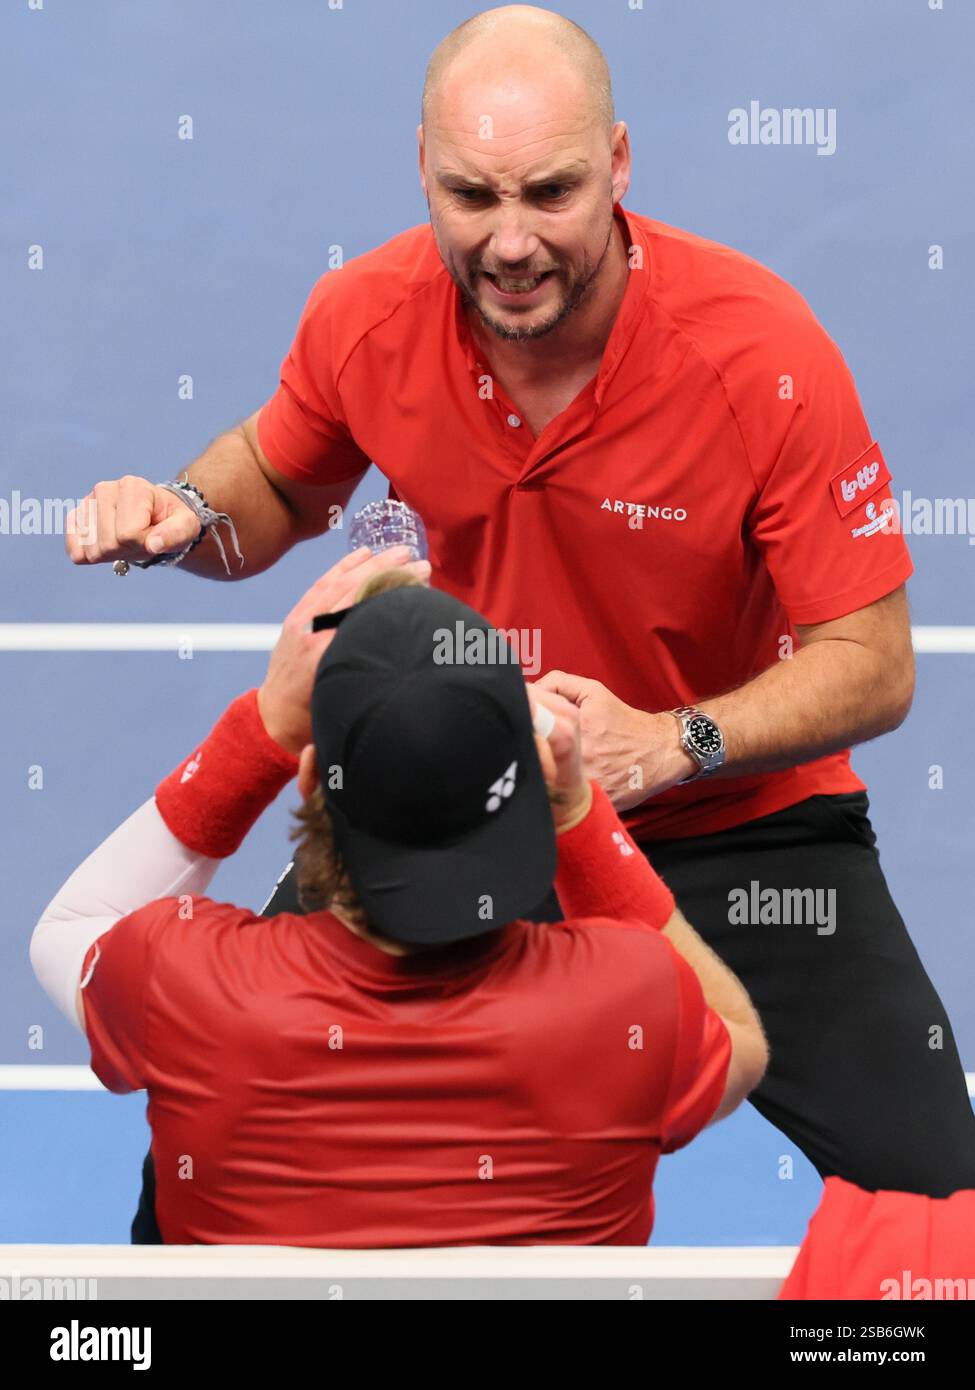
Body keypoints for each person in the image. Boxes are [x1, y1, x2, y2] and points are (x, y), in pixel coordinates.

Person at [64, 5, 975, 1200]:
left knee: (943, 1199)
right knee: (210, 1170)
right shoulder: (366, 316)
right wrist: (187, 513)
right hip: (446, 807)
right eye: (471, 196)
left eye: (550, 193)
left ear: (619, 166)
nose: (509, 242)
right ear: (423, 172)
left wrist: (673, 742)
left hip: (734, 825)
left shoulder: (763, 357)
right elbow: (279, 479)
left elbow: (875, 660)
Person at [30, 552, 768, 1247]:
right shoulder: (630, 1001)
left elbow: (71, 926)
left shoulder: (181, 981)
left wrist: (262, 730)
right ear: (527, 789)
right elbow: (736, 1038)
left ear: (315, 781)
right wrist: (579, 816)